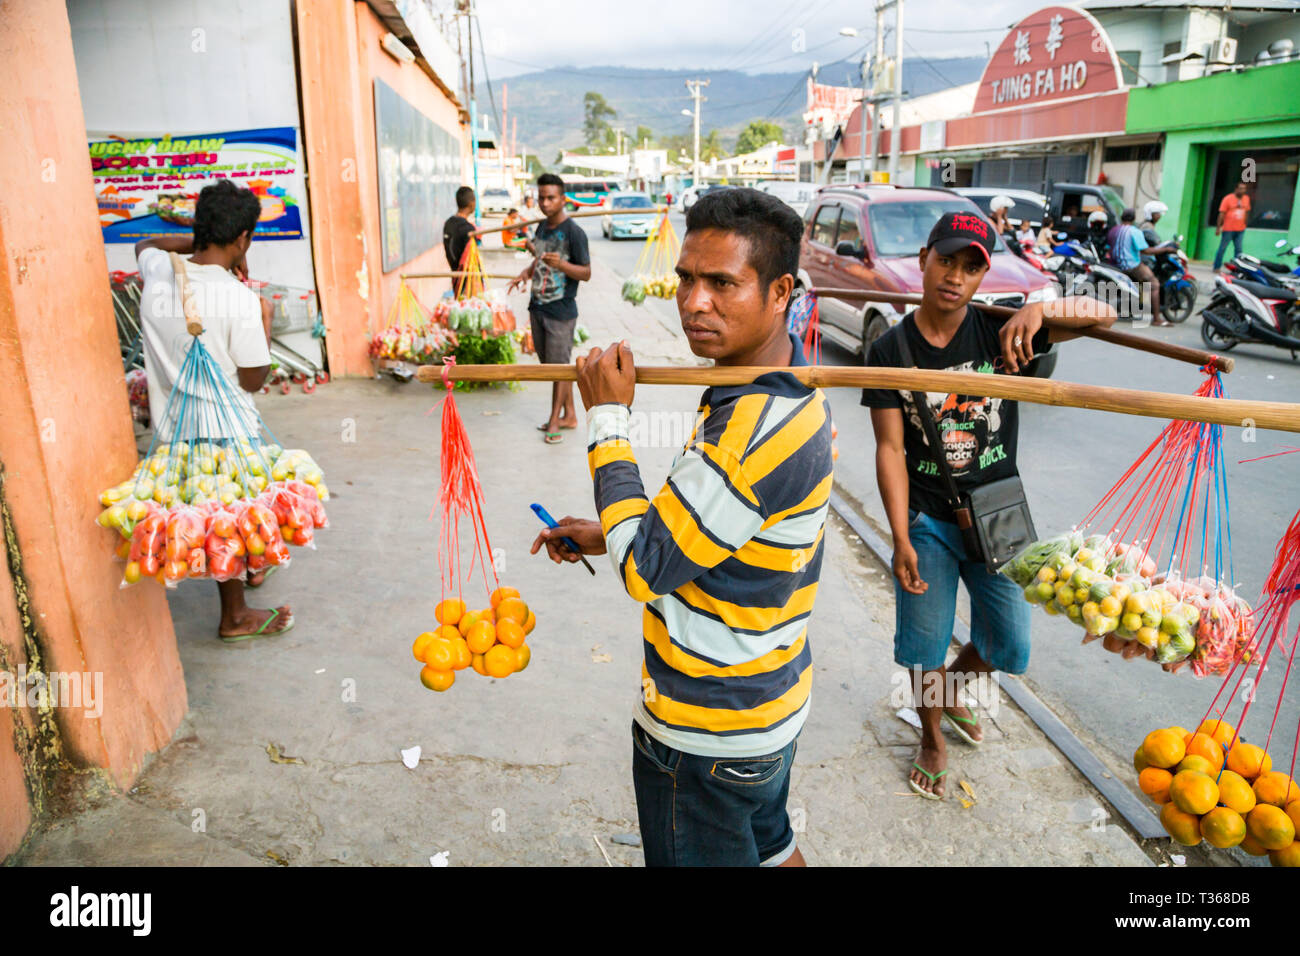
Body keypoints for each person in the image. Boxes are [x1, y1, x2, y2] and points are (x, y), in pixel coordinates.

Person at [530, 188, 832, 866]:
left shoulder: (753, 428)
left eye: (722, 283)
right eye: (687, 279)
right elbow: (713, 526)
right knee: (772, 847)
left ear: (780, 292)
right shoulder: (780, 385)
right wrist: (615, 528)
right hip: (766, 702)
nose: (694, 303)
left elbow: (645, 571)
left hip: (707, 730)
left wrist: (608, 418)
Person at [861, 211, 1117, 799]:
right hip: (928, 521)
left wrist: (1041, 307)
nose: (955, 276)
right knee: (923, 649)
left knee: (1011, 645)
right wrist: (900, 537)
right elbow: (890, 449)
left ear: (983, 276)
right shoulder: (889, 350)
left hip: (998, 519)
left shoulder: (1002, 331)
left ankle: (950, 691)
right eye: (946, 261)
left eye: (971, 268)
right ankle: (931, 736)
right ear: (924, 260)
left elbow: (1103, 312)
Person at [134, 179, 292, 642]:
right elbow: (253, 379)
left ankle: (251, 575)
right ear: (243, 238)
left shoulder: (159, 274)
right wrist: (265, 321)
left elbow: (145, 244)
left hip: (174, 428)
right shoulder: (240, 300)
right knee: (228, 517)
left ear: (199, 228)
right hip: (227, 431)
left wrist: (202, 240)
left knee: (221, 511)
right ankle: (235, 616)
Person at [508, 173, 591, 443]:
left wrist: (562, 265)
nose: (545, 203)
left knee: (558, 370)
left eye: (551, 198)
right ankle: (570, 415)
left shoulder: (574, 233)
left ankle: (555, 420)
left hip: (561, 310)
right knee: (552, 366)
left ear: (563, 199)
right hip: (537, 306)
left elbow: (586, 273)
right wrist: (525, 272)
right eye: (541, 197)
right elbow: (540, 258)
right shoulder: (542, 227)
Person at [1108, 207, 1167, 326]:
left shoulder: (1114, 230)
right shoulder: (1134, 231)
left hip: (1114, 264)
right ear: (1134, 219)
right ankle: (1157, 319)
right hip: (1131, 265)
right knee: (1154, 284)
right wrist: (1166, 249)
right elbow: (1145, 250)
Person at [1213, 182, 1251, 272]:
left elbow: (1247, 211)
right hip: (1228, 229)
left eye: (1244, 189)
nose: (1242, 190)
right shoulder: (1228, 199)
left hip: (1240, 229)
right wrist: (1218, 227)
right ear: (1236, 189)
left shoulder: (1246, 198)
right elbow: (1221, 214)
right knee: (1222, 248)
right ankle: (1216, 267)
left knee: (1239, 249)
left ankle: (1237, 268)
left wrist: (1246, 223)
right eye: (1241, 188)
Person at [442, 186, 476, 272]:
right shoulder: (468, 229)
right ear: (471, 204)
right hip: (465, 277)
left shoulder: (448, 223)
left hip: (454, 273)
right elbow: (471, 260)